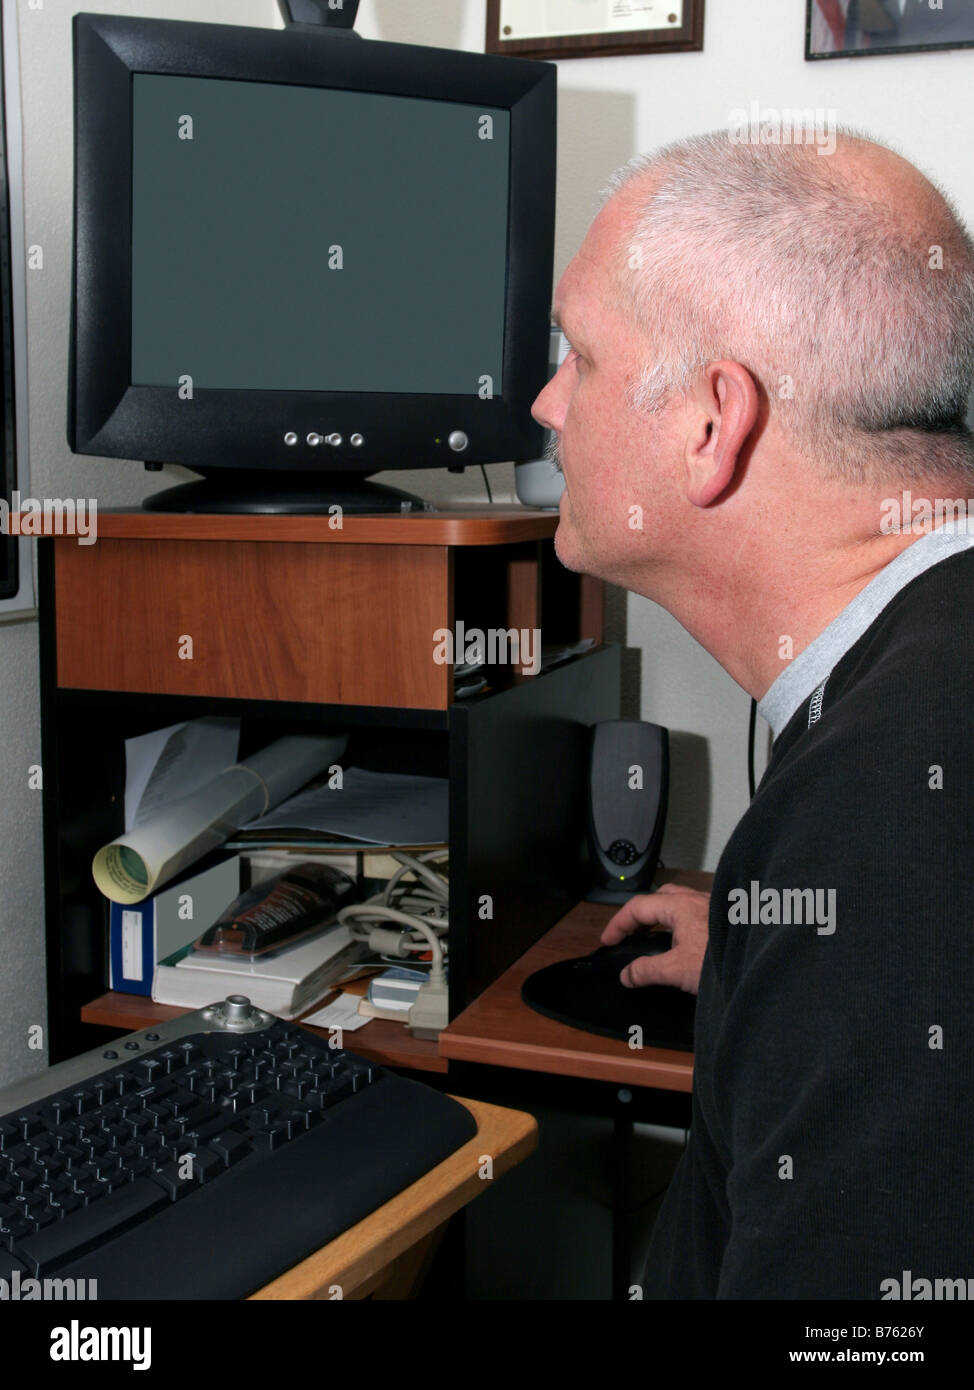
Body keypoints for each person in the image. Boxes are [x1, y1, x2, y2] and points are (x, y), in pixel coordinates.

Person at [532, 128, 974, 1299]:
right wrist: (777, 946)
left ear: (710, 424)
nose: (542, 402)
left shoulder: (889, 800)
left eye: (576, 356)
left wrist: (857, 918)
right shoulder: (917, 713)